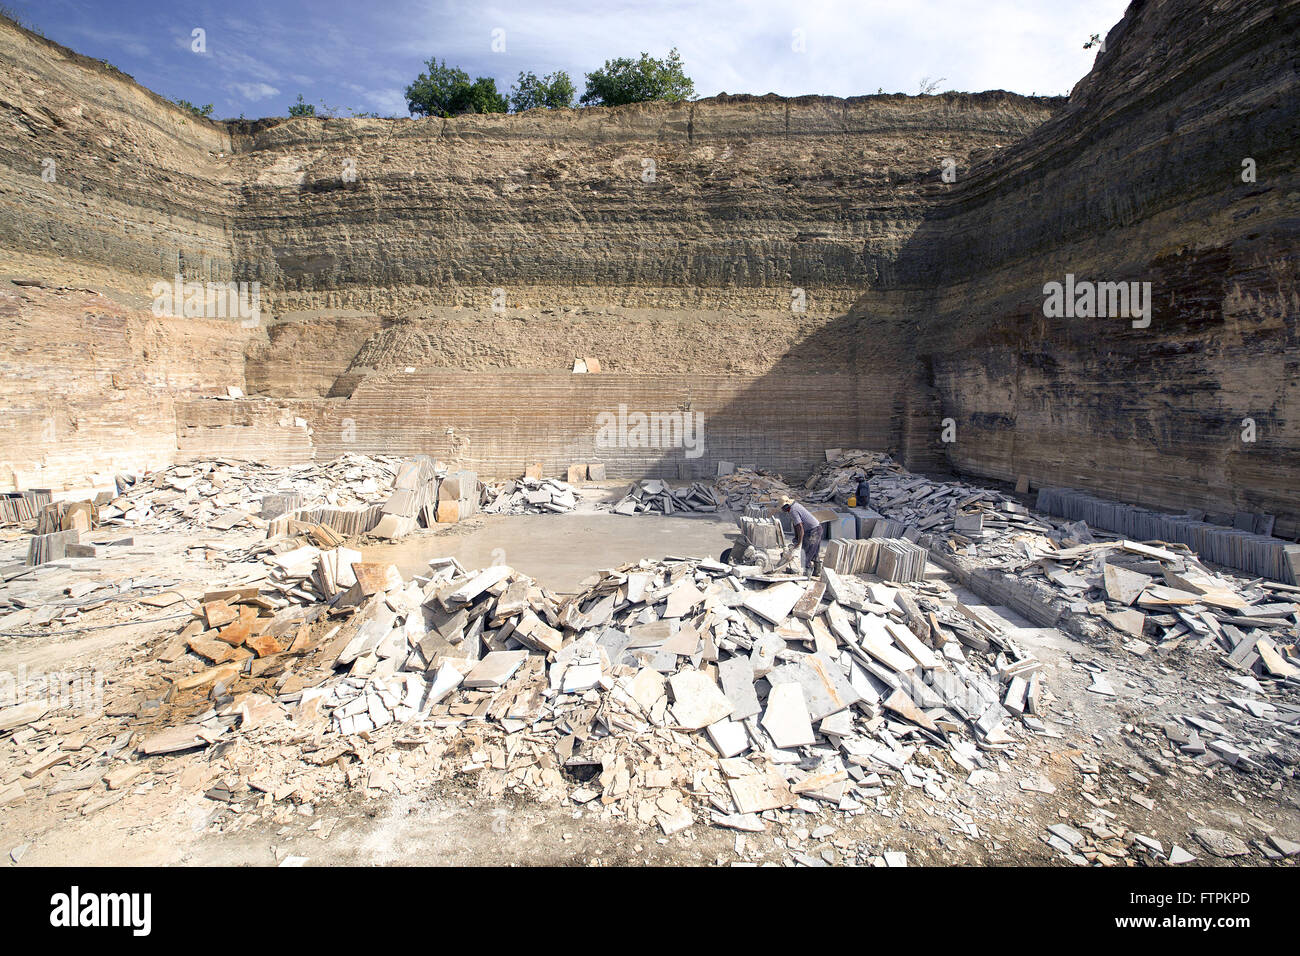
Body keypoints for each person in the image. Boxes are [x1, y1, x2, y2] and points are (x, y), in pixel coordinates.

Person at [779, 495, 822, 577]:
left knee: (807, 553)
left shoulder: (793, 510)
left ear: (786, 506)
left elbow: (800, 528)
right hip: (813, 529)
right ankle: (817, 572)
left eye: (783, 508)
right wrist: (796, 538)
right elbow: (795, 525)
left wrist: (799, 543)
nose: (782, 510)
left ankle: (808, 574)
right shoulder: (794, 507)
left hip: (814, 530)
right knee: (813, 551)